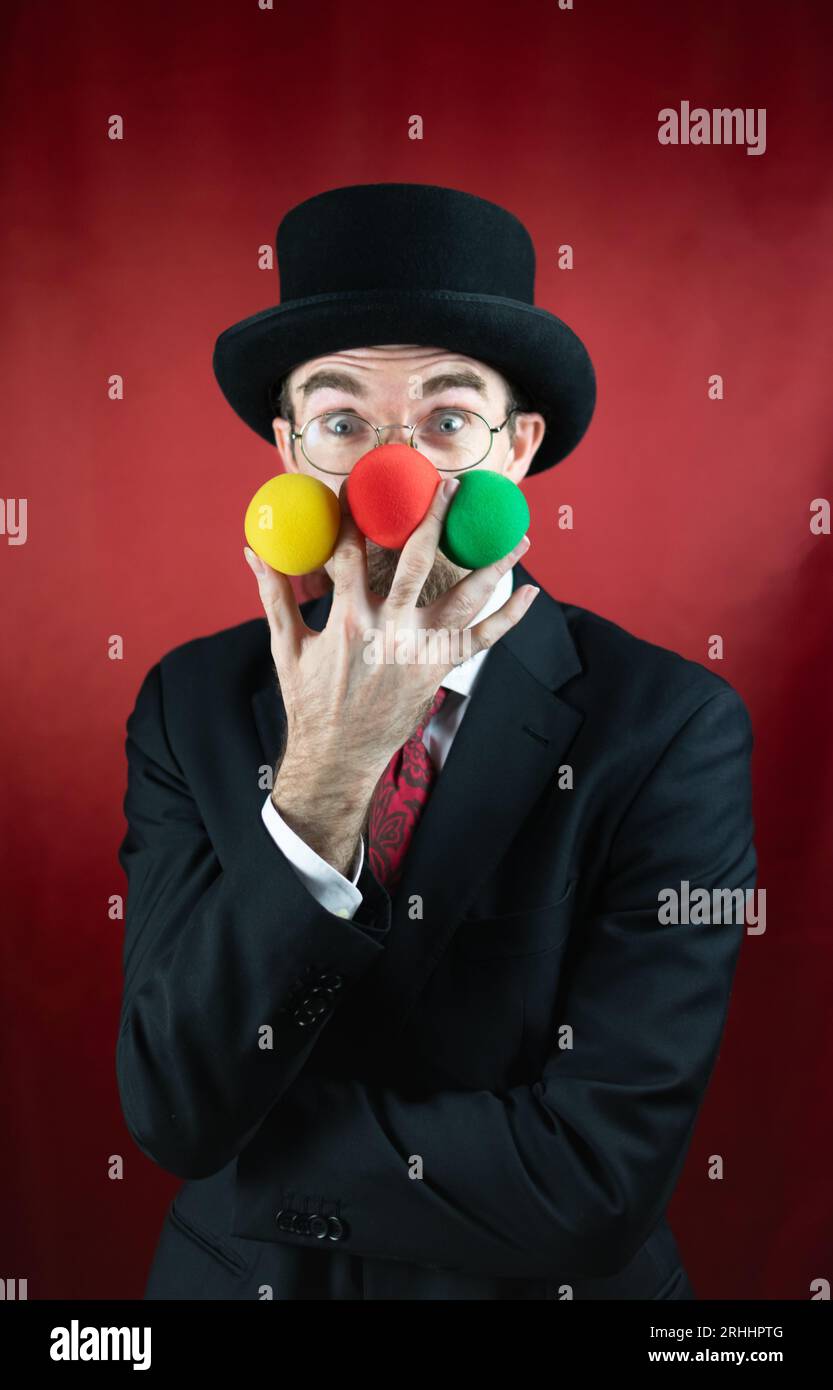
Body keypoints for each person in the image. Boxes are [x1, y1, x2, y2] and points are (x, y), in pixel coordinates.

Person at [116, 183, 756, 1300]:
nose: (390, 482)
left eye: (446, 421)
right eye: (343, 420)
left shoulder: (667, 730)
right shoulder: (190, 703)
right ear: (287, 449)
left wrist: (253, 1152)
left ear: (516, 448)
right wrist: (325, 773)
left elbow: (592, 1183)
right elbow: (175, 1103)